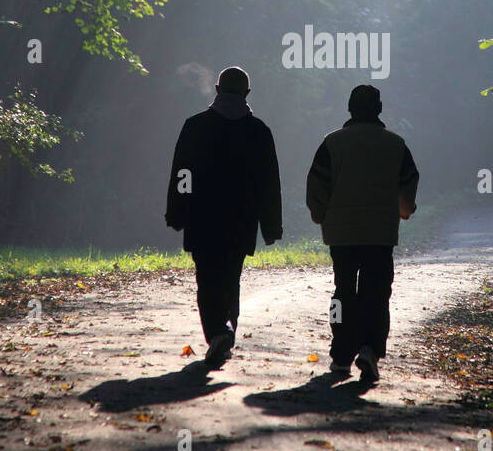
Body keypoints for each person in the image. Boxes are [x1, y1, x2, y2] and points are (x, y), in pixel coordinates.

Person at [165, 66, 282, 370]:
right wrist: (271, 225)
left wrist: (177, 211)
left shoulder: (195, 126)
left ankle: (219, 332)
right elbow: (268, 183)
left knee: (207, 279)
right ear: (247, 93)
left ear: (217, 90)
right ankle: (226, 330)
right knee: (232, 277)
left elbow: (183, 174)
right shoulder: (259, 131)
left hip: (202, 217)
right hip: (240, 220)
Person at [306, 84, 419, 383]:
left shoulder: (332, 143)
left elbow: (316, 185)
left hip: (341, 232)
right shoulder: (396, 144)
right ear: (379, 109)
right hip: (380, 232)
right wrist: (404, 209)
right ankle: (369, 349)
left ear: (349, 108)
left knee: (342, 292)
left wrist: (321, 216)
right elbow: (408, 182)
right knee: (377, 292)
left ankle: (340, 355)